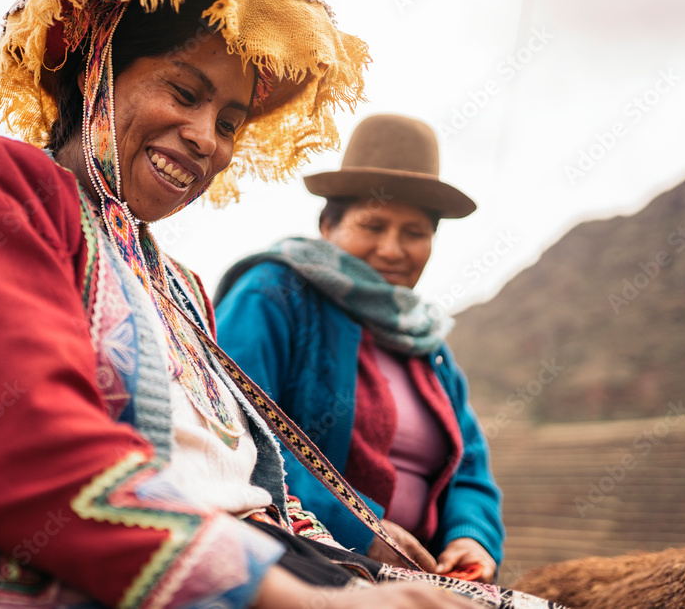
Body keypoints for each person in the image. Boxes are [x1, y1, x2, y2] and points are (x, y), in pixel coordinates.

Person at [0, 0, 556, 607]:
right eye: (184, 93)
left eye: (231, 122)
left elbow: (241, 485)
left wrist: (370, 563)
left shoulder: (177, 286)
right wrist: (312, 600)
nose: (207, 138)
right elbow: (19, 452)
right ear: (98, 69)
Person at [215, 113, 505, 583]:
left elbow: (470, 468)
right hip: (302, 557)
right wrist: (359, 527)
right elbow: (232, 429)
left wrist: (471, 538)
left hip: (422, 571)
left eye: (414, 233)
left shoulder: (427, 347)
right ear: (328, 224)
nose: (392, 249)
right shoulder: (273, 293)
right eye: (373, 225)